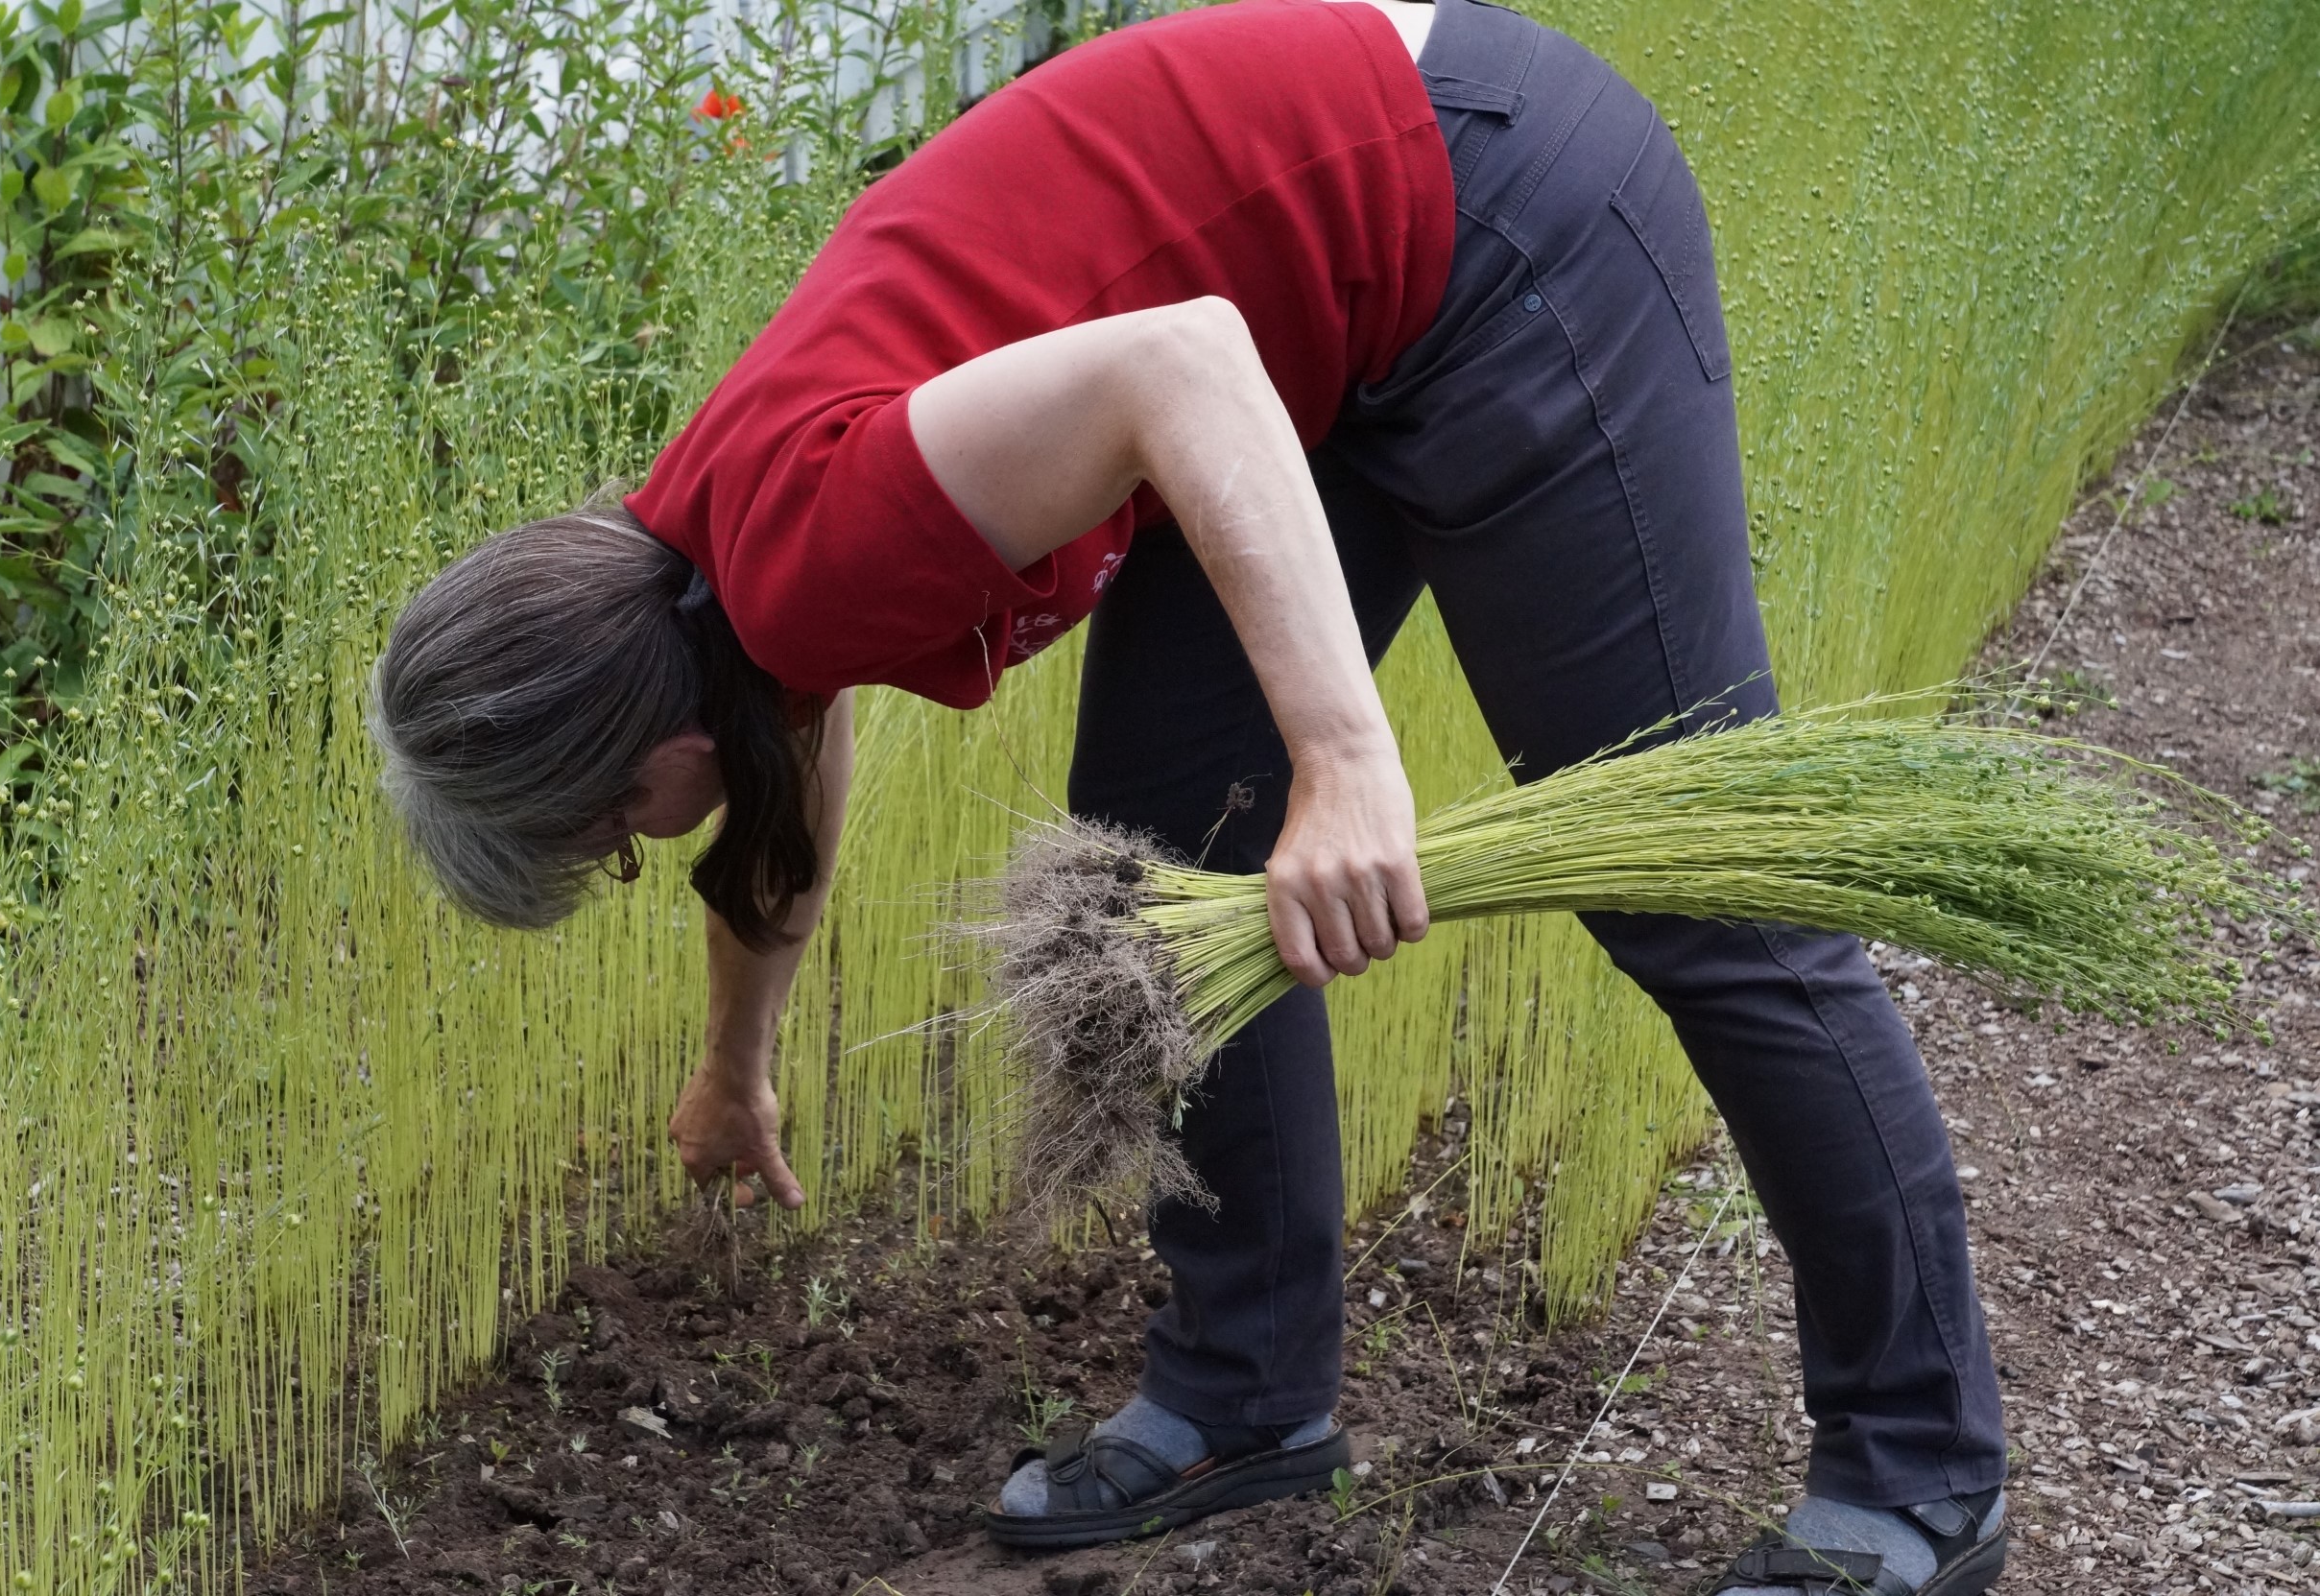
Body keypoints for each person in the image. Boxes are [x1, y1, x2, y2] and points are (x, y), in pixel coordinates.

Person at [369, 1, 2010, 1588]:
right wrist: (734, 1069)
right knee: (1166, 869)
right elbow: (785, 789)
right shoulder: (702, 581)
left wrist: (1350, 764)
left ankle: (1915, 1468)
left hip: (1496, 217)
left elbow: (1182, 358)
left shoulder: (802, 559)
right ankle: (1247, 1395)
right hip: (1343, 285)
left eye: (606, 846)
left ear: (637, 759)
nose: (642, 853)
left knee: (1690, 878)